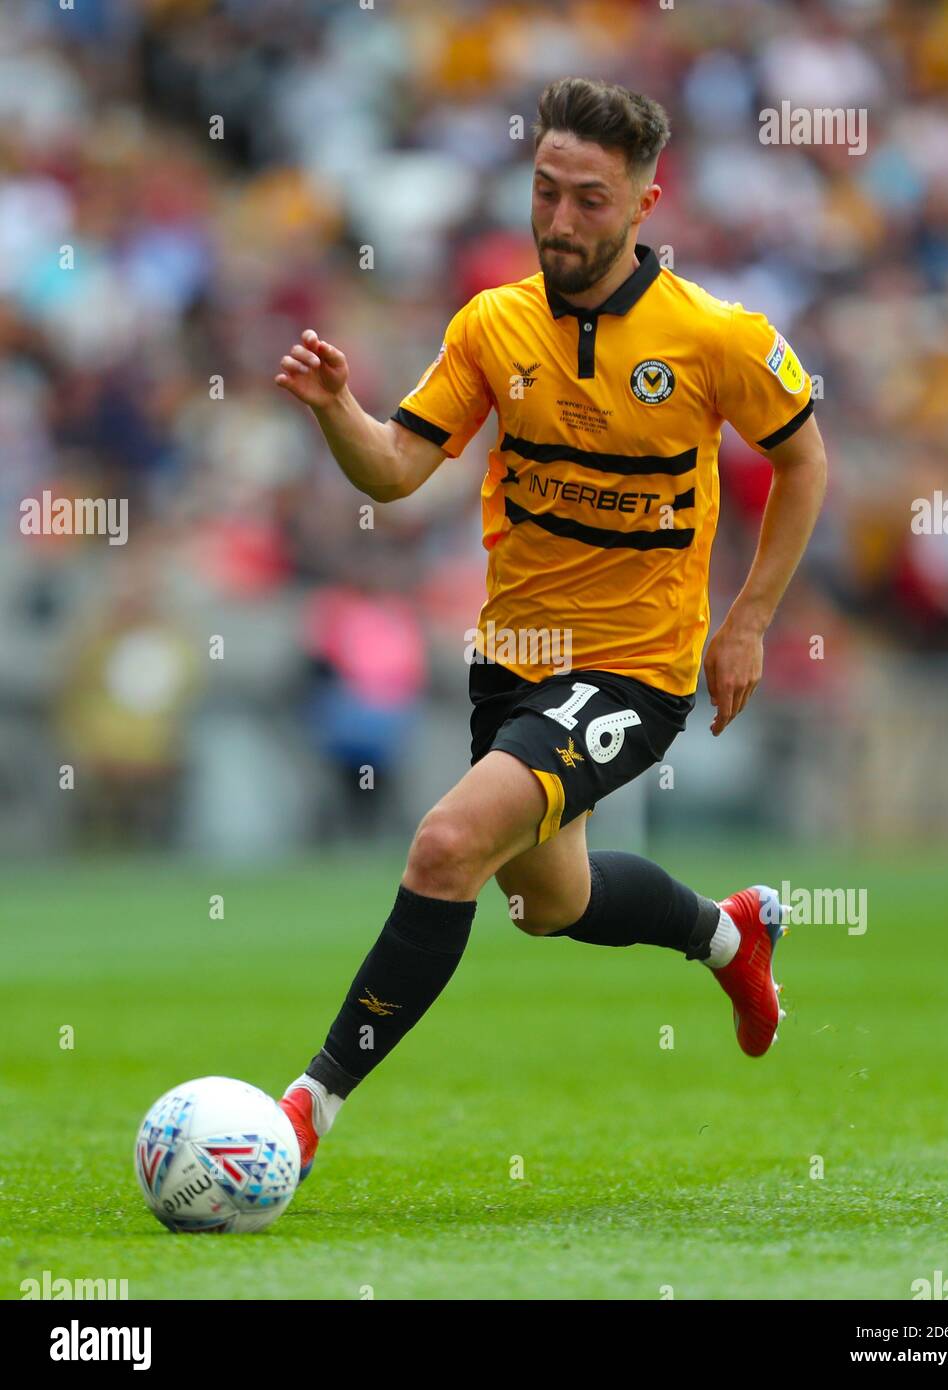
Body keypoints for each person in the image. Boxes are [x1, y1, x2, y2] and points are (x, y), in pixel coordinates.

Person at [273, 77, 827, 1181]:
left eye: (589, 200)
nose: (561, 220)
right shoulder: (494, 323)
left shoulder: (717, 336)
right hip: (512, 664)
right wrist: (340, 410)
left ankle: (306, 1105)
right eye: (545, 193)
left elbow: (804, 458)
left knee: (446, 844)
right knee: (551, 902)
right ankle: (730, 933)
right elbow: (395, 466)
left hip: (635, 669)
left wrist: (749, 619)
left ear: (643, 204)